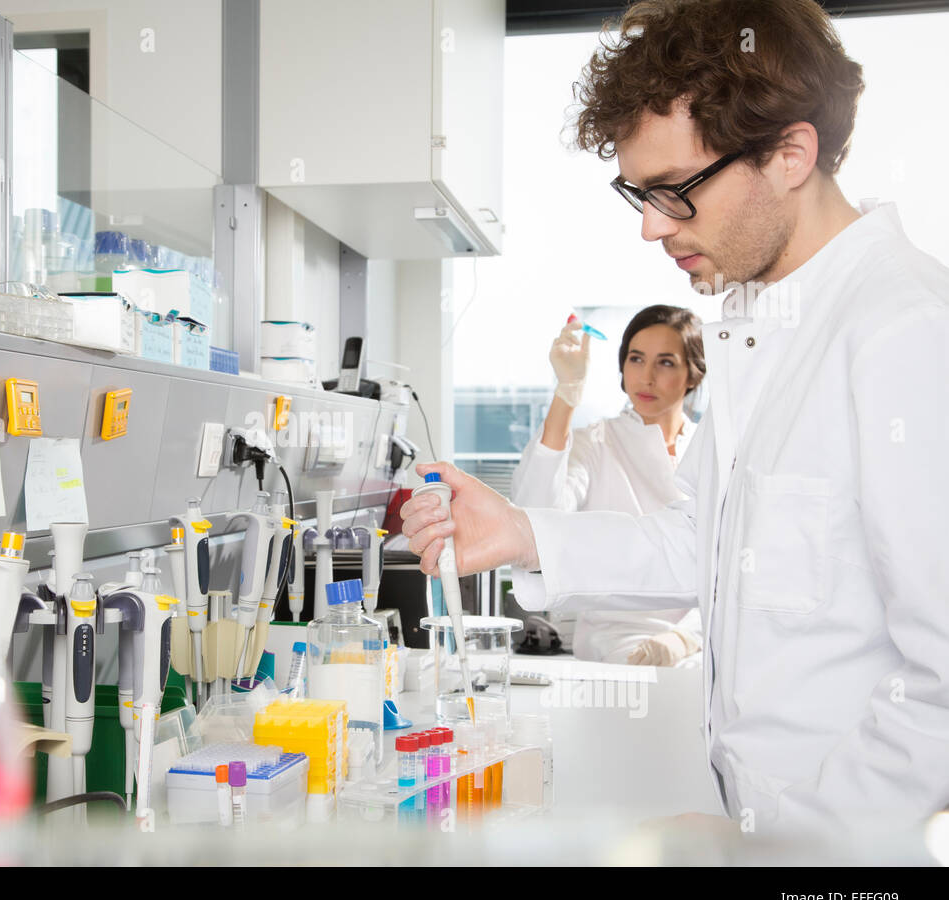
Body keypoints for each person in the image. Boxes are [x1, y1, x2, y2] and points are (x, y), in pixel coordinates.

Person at [401, 0, 949, 836]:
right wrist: (521, 531)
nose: (653, 227)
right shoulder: (763, 325)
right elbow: (710, 544)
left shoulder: (905, 333)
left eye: (674, 192)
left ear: (790, 154)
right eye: (638, 194)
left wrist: (781, 859)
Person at [511, 307, 704, 665]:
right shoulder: (598, 443)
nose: (646, 377)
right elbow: (538, 515)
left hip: (705, 637)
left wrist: (682, 639)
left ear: (693, 374)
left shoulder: (711, 448)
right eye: (636, 359)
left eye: (665, 363)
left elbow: (730, 565)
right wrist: (566, 393)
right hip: (616, 643)